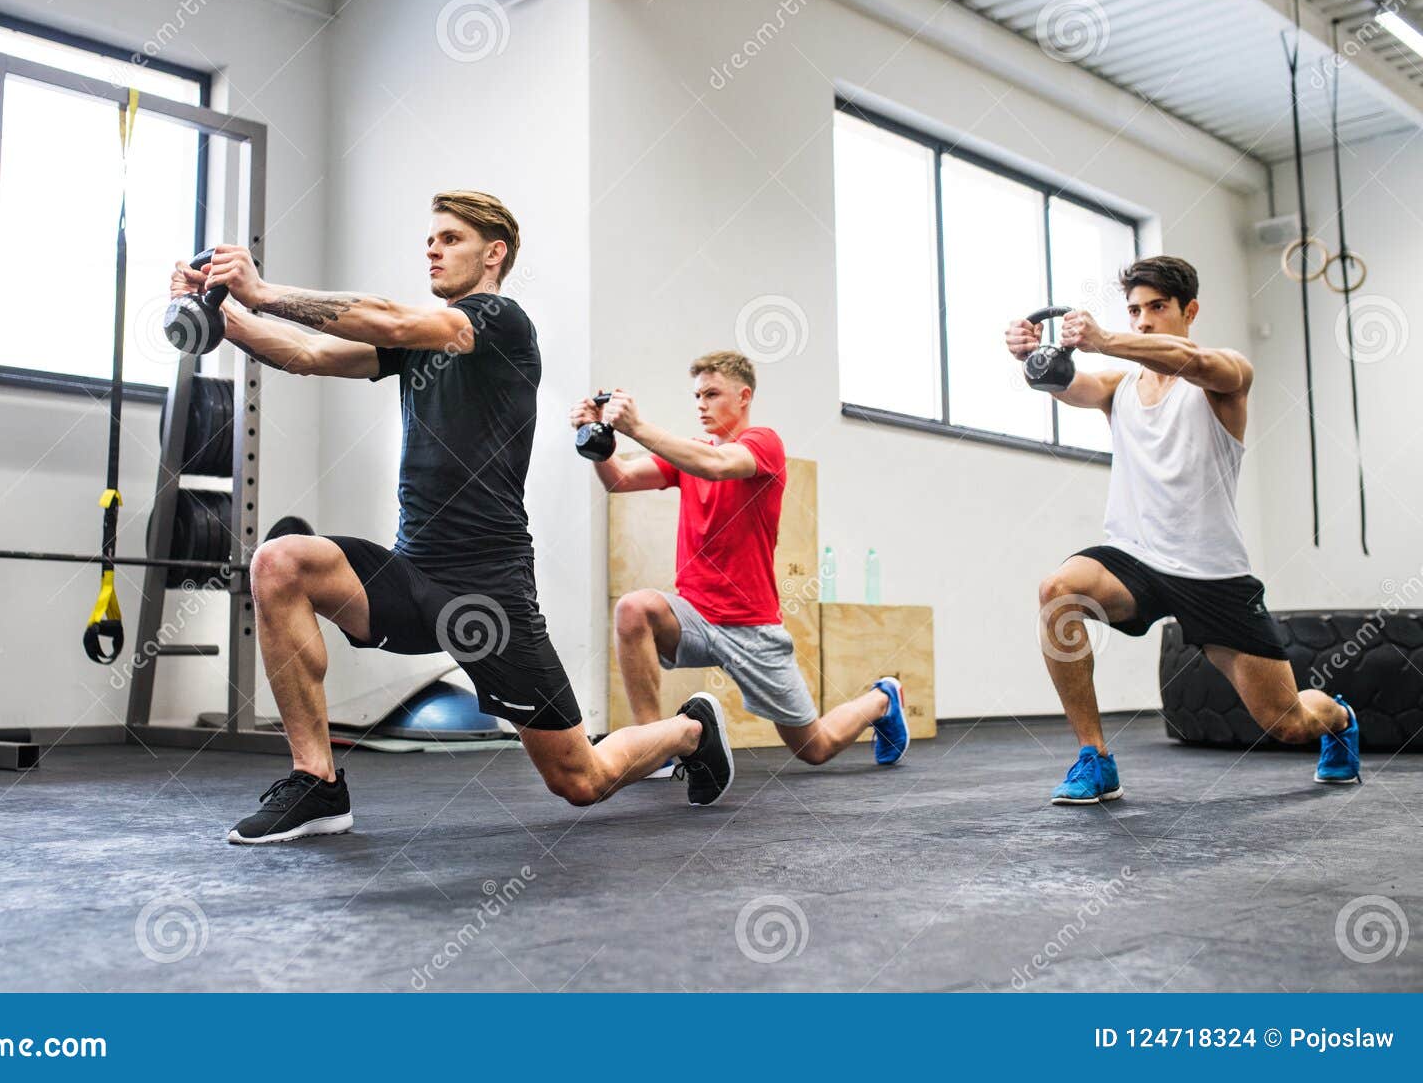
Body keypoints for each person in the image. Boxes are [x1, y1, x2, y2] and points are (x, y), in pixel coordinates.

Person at [174, 191, 734, 844]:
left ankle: (691, 730)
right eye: (430, 238)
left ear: (493, 253)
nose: (432, 249)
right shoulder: (419, 343)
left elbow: (390, 320)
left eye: (450, 238)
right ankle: (318, 784)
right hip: (413, 576)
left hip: (490, 594)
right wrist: (218, 311)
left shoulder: (496, 322)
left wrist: (263, 291)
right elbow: (306, 355)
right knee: (281, 563)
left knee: (577, 779)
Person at [1003, 255, 1359, 805]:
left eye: (1156, 308)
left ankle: (1337, 717)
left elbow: (1187, 360)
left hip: (1212, 574)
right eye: (1134, 310)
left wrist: (1106, 337)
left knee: (1285, 722)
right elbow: (1069, 384)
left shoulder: (1226, 373)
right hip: (1133, 558)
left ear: (1189, 310)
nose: (1143, 320)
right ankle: (1094, 758)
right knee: (1058, 591)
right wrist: (1033, 355)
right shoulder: (1119, 387)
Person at [571, 351, 909, 773]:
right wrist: (595, 439)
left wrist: (637, 426)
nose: (701, 404)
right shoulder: (690, 452)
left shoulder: (763, 444)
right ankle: (653, 745)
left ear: (744, 396)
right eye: (697, 395)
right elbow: (619, 480)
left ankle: (883, 699)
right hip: (695, 614)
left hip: (752, 627)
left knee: (814, 748)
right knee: (633, 609)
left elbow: (716, 466)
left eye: (712, 394)